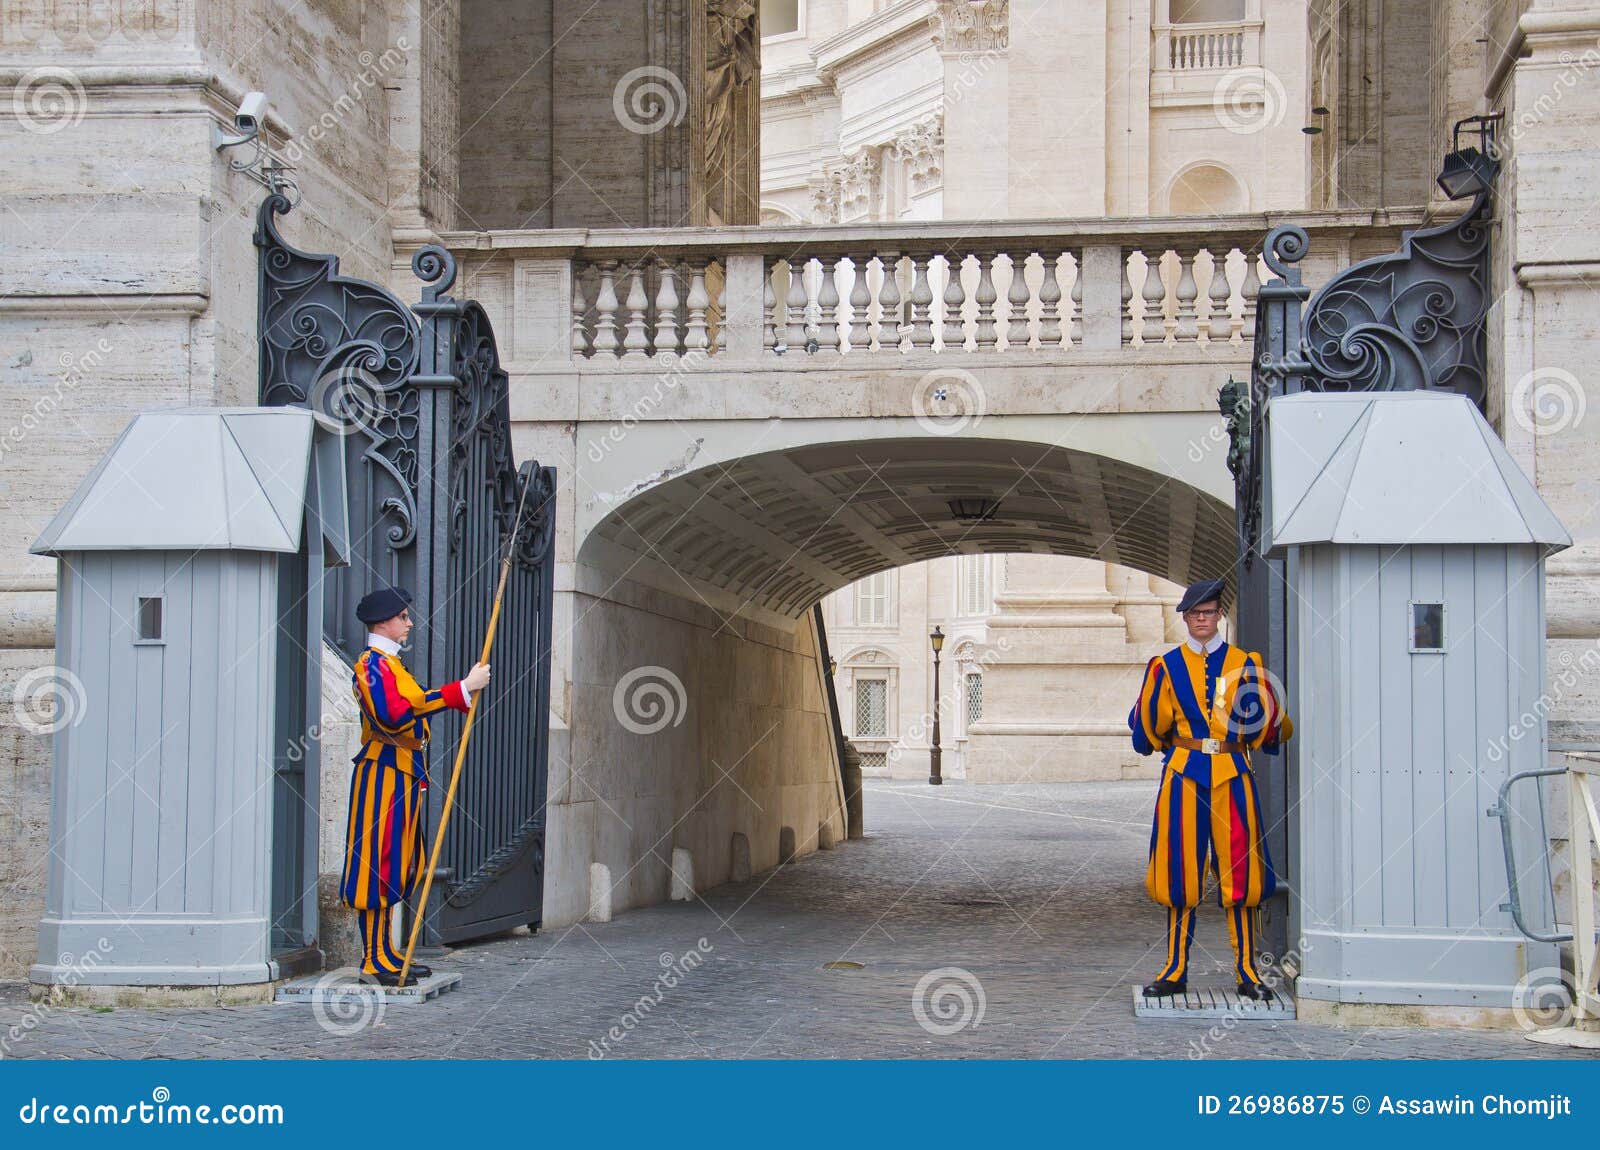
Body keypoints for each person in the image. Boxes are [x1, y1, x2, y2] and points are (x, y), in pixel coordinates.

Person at [1127, 578, 1291, 1000]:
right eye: (1195, 614)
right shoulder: (1165, 666)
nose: (1202, 619)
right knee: (1179, 871)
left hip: (1233, 771)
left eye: (1209, 612)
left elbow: (1273, 727)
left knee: (1243, 871)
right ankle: (1175, 968)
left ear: (1219, 615)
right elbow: (1147, 727)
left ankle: (1246, 971)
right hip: (1184, 772)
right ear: (1185, 619)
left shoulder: (1244, 663)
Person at [339, 587, 491, 986]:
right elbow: (392, 715)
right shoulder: (371, 667)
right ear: (384, 623)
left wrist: (458, 692)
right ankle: (373, 960)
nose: (408, 623)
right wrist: (460, 690)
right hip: (382, 773)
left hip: (404, 771)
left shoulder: (392, 665)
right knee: (376, 861)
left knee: (398, 863)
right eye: (403, 618)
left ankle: (386, 950)